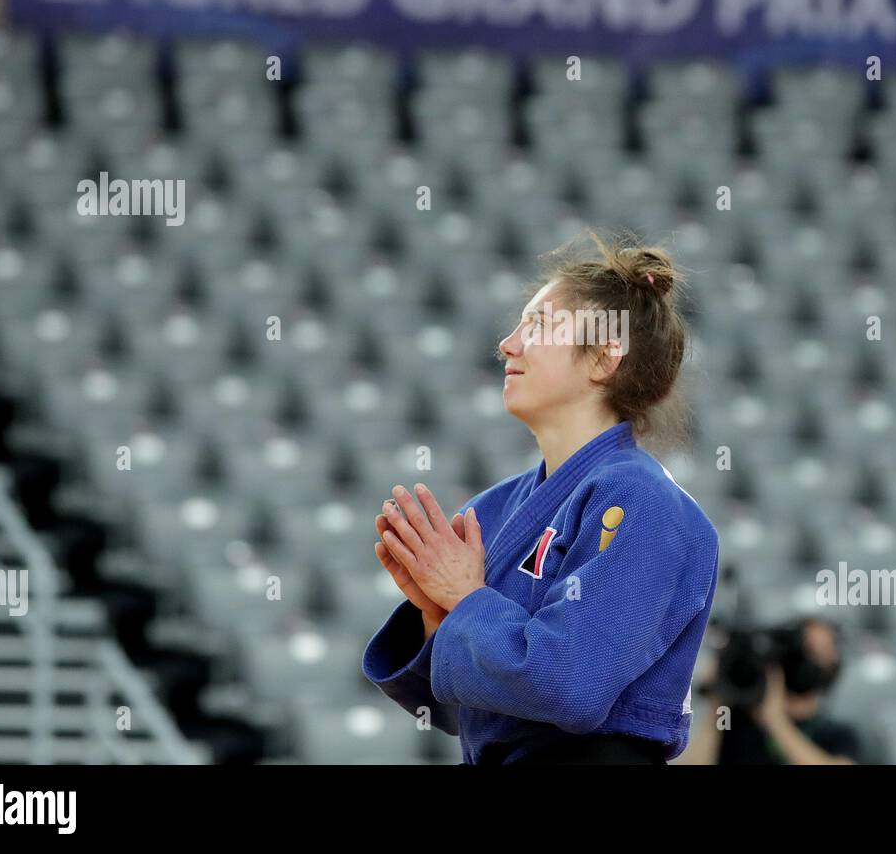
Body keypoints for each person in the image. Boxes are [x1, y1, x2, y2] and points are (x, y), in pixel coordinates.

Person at [361, 229, 720, 764]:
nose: (508, 344)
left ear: (603, 358)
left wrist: (467, 600)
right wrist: (438, 619)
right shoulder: (493, 508)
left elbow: (571, 687)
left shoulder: (646, 504)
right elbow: (467, 714)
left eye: (538, 326)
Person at [676, 618, 861, 765]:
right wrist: (717, 703)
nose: (805, 656)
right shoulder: (732, 723)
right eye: (803, 646)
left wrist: (775, 720)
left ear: (833, 668)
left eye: (816, 651)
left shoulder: (837, 734)